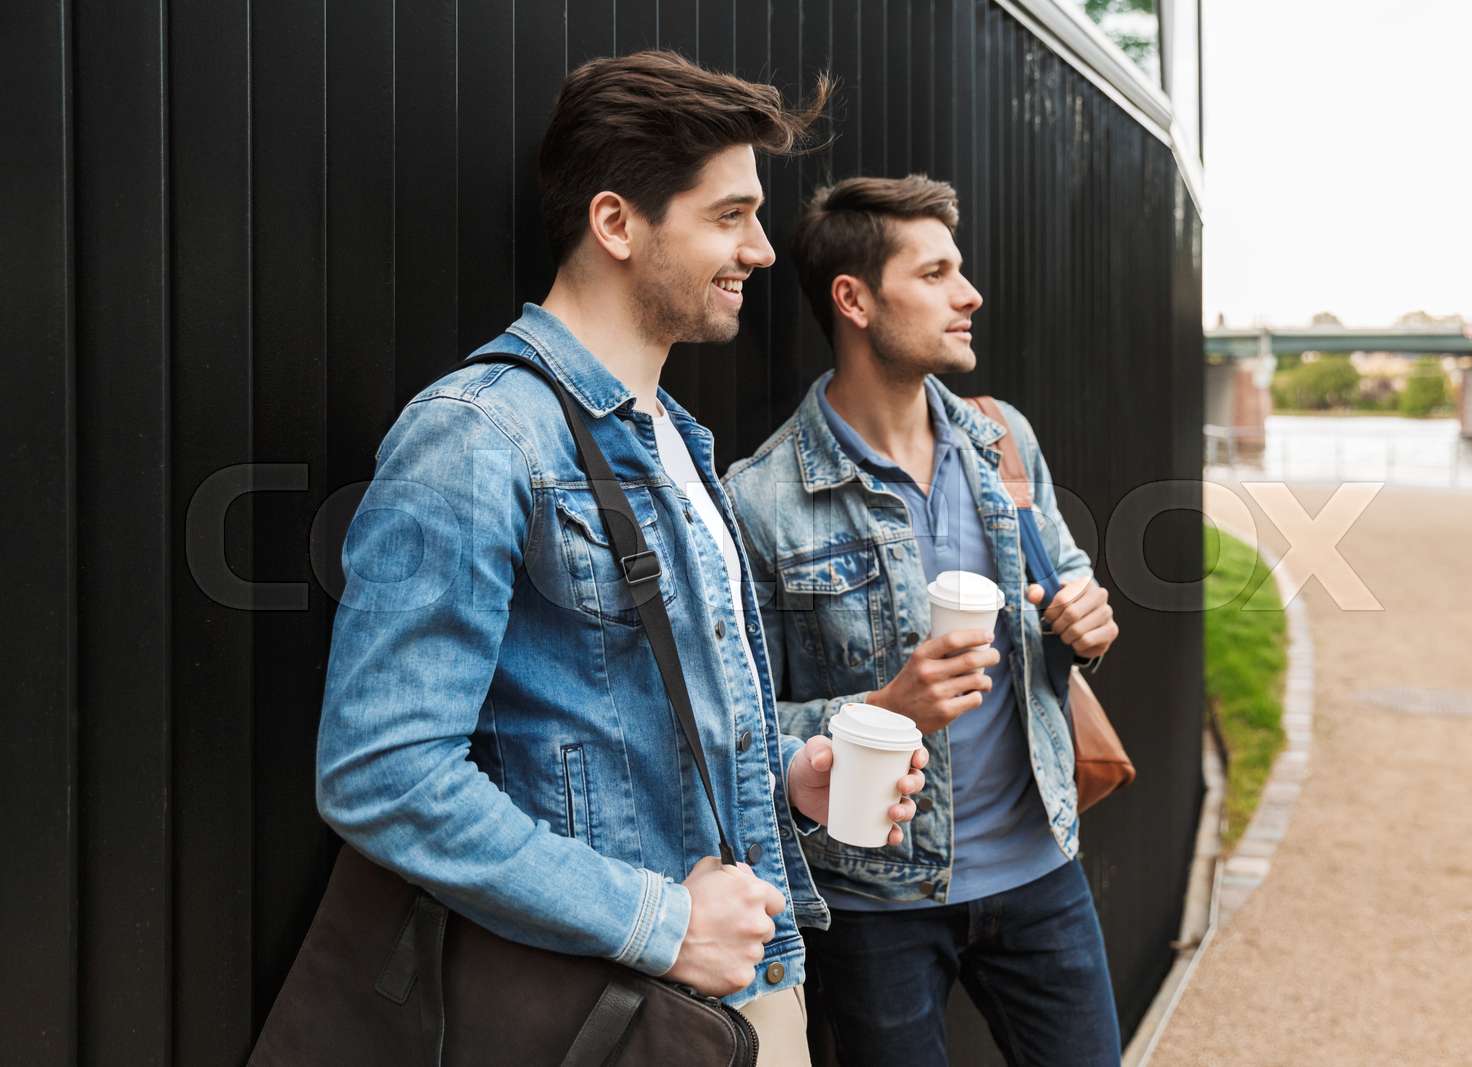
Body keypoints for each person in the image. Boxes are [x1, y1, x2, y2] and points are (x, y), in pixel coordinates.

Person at [313, 54, 928, 1064]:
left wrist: (794, 775)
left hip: (742, 989)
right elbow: (381, 769)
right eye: (729, 216)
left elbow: (637, 724)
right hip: (602, 1010)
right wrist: (661, 919)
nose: (763, 250)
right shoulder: (476, 437)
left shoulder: (676, 441)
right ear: (616, 224)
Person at [723, 175, 1121, 1065]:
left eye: (961, 269)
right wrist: (888, 706)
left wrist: (1084, 621)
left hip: (1042, 865)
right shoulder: (760, 502)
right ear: (854, 299)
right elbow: (739, 728)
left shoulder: (1001, 438)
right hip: (873, 905)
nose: (968, 293)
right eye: (936, 272)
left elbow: (1066, 580)